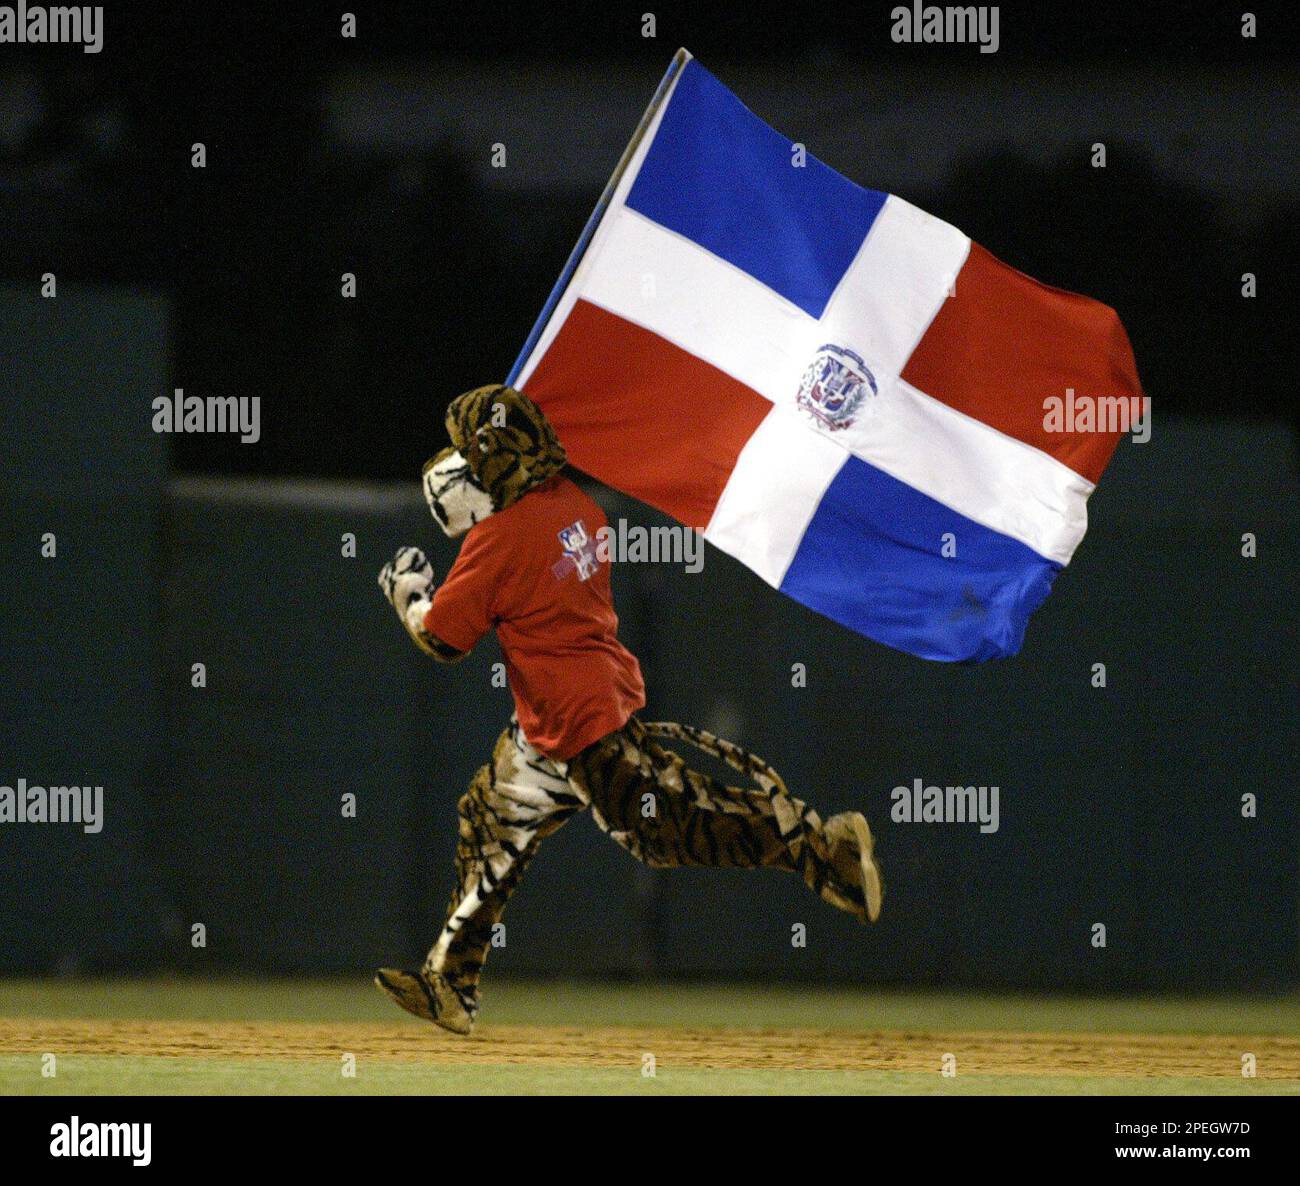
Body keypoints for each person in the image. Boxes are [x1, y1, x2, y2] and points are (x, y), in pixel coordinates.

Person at [376, 384, 882, 1034]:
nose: (461, 467)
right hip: (559, 718)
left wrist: (410, 593)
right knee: (490, 824)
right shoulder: (579, 507)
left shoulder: (499, 540)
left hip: (579, 723)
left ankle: (817, 846)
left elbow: (442, 637)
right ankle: (449, 982)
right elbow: (526, 551)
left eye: (472, 456)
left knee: (667, 829)